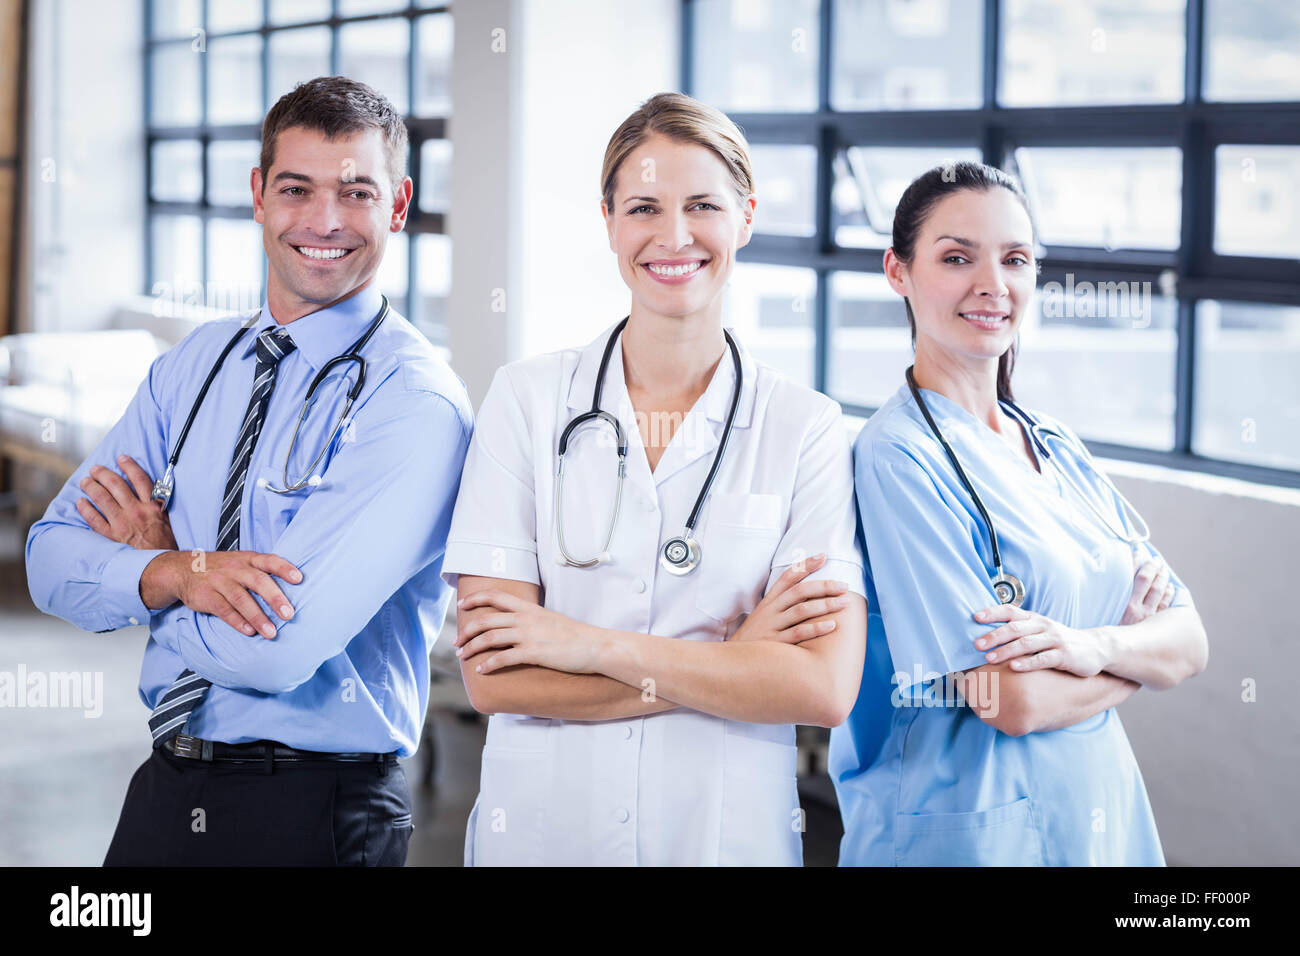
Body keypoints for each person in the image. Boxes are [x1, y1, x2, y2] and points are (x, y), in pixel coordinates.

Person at [25, 76, 471, 866]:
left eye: (356, 192)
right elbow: (51, 563)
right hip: (164, 786)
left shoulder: (414, 404)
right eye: (297, 188)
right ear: (260, 194)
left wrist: (140, 579)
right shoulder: (193, 365)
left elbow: (274, 652)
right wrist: (180, 570)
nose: (325, 221)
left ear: (398, 206)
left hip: (317, 812)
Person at [442, 92, 868, 866]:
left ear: (745, 216)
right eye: (644, 207)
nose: (674, 237)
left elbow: (822, 689)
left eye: (703, 204)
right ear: (608, 220)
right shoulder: (529, 400)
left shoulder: (805, 427)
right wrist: (737, 661)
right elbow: (495, 678)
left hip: (720, 837)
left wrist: (577, 643)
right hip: (545, 837)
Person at [829, 161, 1209, 866]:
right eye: (955, 258)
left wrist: (1090, 648)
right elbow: (1008, 701)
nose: (992, 286)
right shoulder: (897, 458)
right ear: (897, 271)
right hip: (965, 831)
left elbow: (1189, 642)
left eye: (1015, 259)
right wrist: (1138, 661)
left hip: (1101, 815)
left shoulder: (1054, 444)